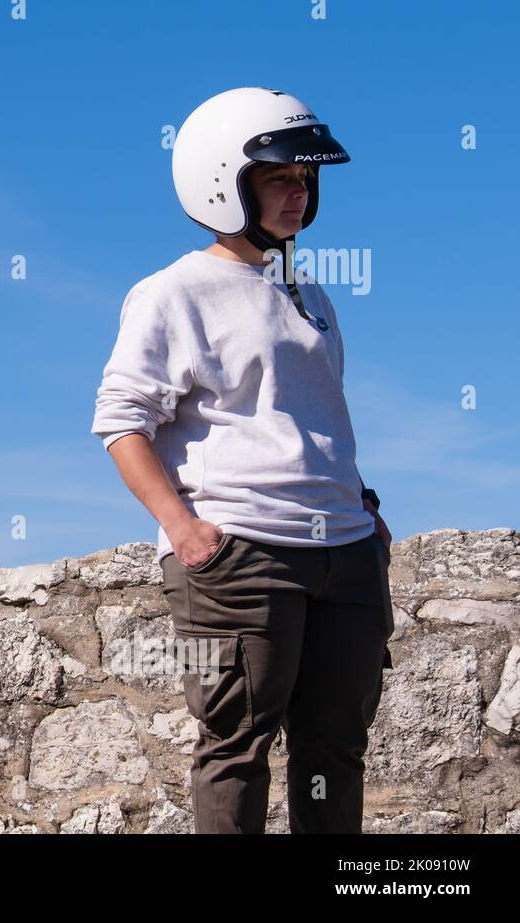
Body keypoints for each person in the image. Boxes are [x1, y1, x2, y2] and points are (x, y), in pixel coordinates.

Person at [90, 87, 392, 833]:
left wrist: (367, 509)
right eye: (282, 177)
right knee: (236, 746)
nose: (301, 193)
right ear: (225, 181)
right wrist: (185, 531)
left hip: (344, 549)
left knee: (337, 748)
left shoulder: (308, 292)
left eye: (307, 180)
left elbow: (311, 419)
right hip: (241, 553)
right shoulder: (172, 293)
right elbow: (121, 423)